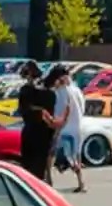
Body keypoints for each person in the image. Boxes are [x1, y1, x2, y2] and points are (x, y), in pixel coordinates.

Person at [45, 64, 87, 193]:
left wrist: (56, 129)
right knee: (76, 155)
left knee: (51, 154)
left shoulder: (60, 93)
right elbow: (82, 107)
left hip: (64, 129)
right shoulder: (76, 90)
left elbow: (60, 112)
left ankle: (49, 180)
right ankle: (81, 182)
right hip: (77, 126)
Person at [17, 60, 56, 182]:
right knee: (40, 164)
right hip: (45, 133)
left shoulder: (25, 91)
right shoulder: (50, 94)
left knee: (29, 165)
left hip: (31, 131)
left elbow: (22, 110)